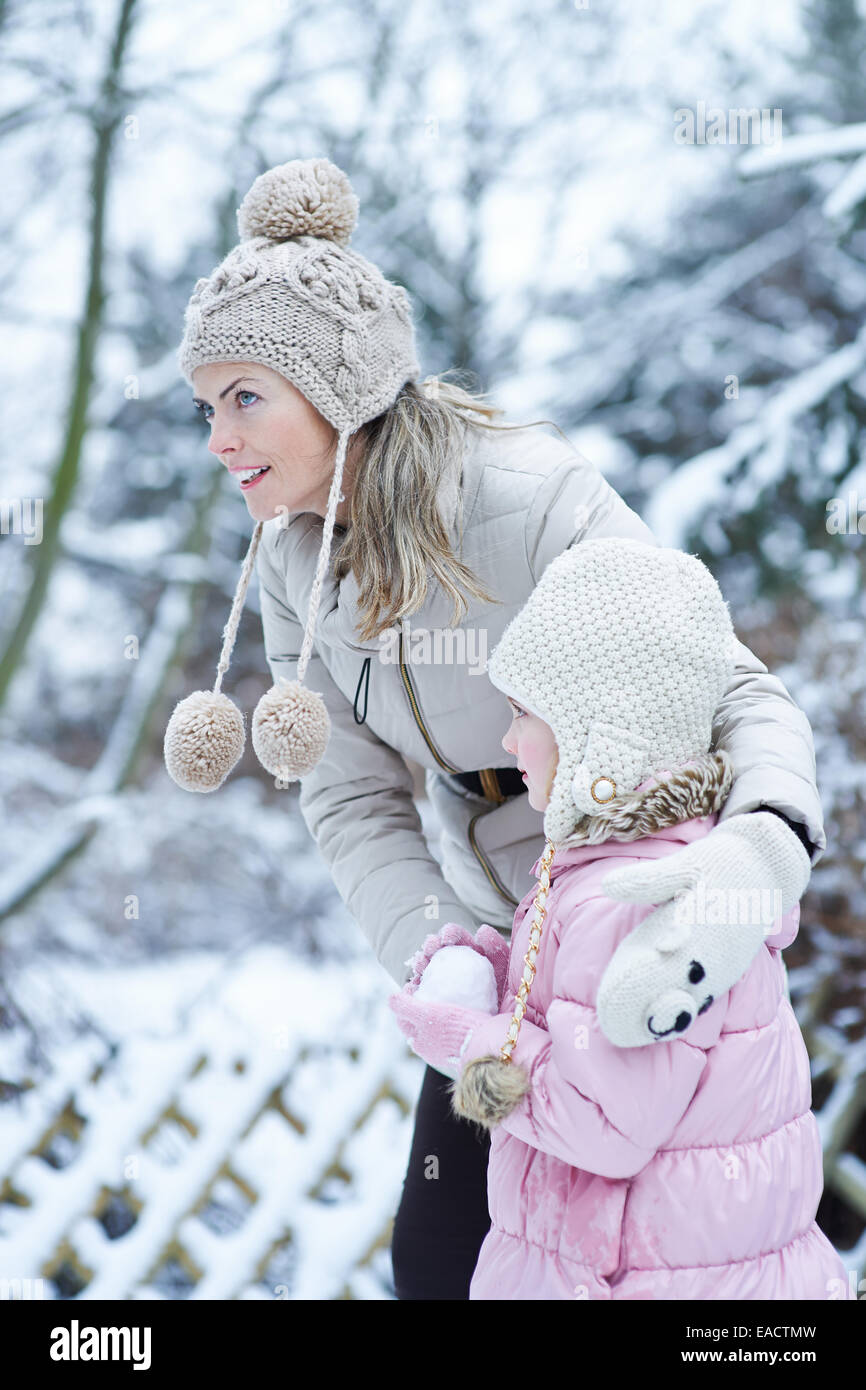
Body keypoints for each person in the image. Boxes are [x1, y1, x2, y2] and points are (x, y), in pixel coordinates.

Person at [167, 156, 827, 1301]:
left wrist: (756, 853)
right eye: (203, 404)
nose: (218, 439)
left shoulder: (526, 495)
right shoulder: (288, 561)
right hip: (499, 938)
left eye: (244, 397)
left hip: (643, 923)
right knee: (443, 1260)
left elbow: (728, 678)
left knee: (683, 1262)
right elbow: (346, 792)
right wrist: (439, 952)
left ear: (334, 387)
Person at [389, 537, 848, 1300]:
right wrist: (505, 980)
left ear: (597, 731)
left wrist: (463, 1037)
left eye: (522, 714)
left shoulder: (624, 894)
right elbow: (590, 1031)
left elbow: (606, 1121)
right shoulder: (636, 863)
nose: (506, 743)